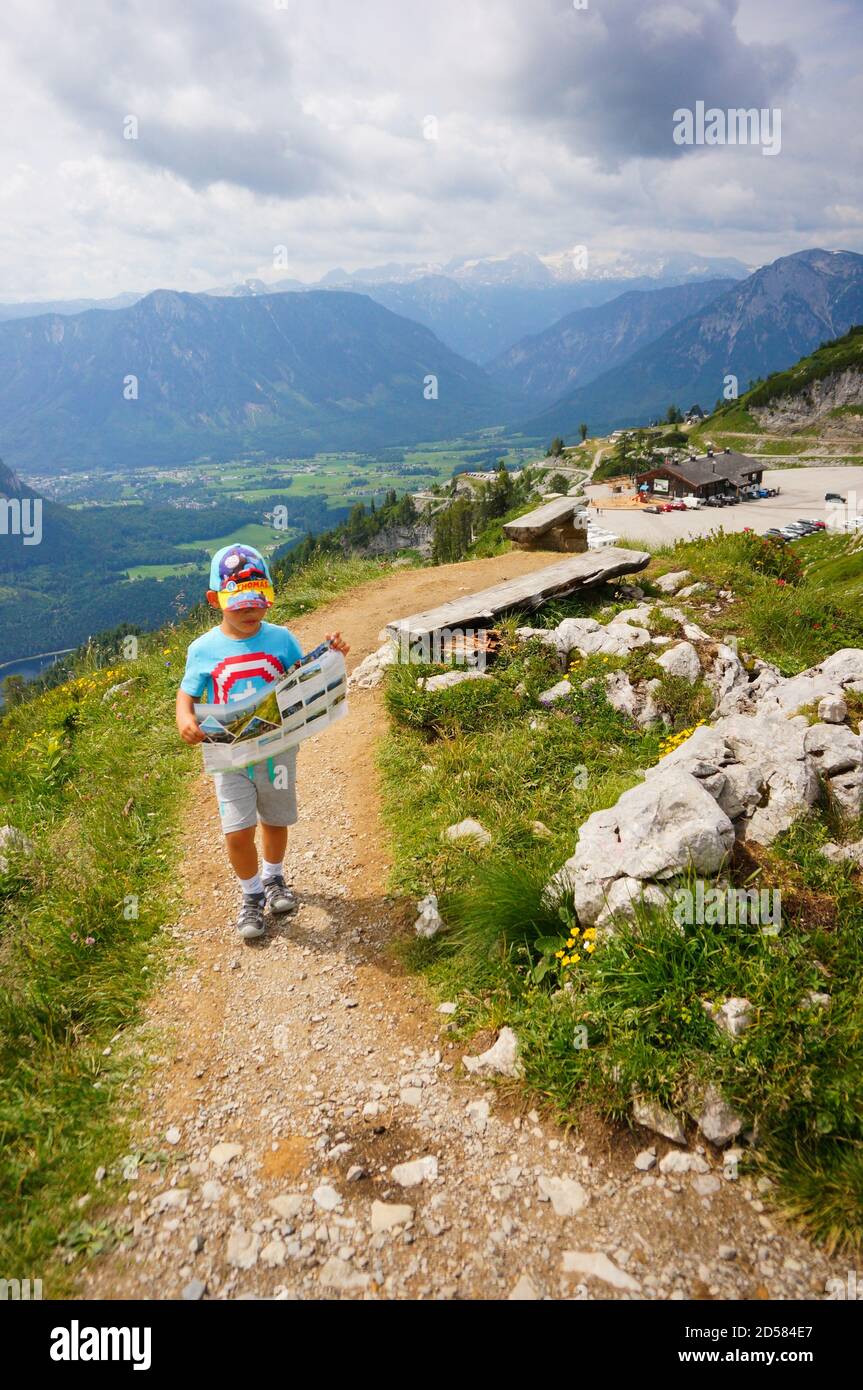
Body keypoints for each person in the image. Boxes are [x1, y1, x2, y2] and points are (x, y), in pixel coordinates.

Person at [175, 543, 349, 940]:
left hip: (278, 753)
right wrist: (185, 717)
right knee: (237, 830)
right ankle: (251, 894)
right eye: (239, 604)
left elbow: (302, 677)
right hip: (230, 758)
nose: (251, 611)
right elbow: (187, 693)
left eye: (259, 601)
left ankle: (274, 878)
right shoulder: (202, 650)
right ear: (213, 600)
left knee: (275, 818)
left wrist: (331, 655)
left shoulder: (281, 639)